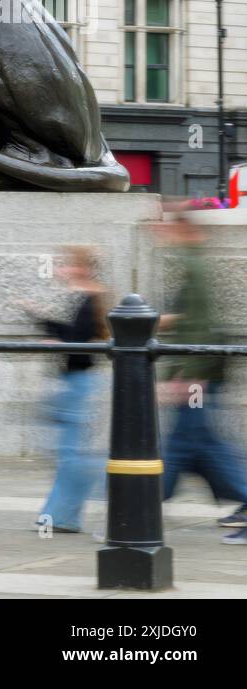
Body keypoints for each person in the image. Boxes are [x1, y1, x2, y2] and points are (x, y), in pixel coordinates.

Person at [154, 208, 247, 545]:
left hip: (197, 378)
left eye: (169, 229)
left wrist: (186, 378)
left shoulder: (194, 267)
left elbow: (200, 327)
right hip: (198, 374)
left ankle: (137, 510)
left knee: (190, 445)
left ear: (185, 232)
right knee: (198, 446)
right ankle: (140, 507)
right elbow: (191, 321)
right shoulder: (192, 265)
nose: (162, 235)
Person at [17, 245, 109, 535]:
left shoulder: (88, 298)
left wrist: (55, 339)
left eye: (66, 265)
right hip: (76, 382)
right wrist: (40, 316)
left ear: (80, 268)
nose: (60, 270)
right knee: (69, 452)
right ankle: (62, 514)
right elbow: (73, 335)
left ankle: (63, 514)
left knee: (71, 453)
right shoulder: (86, 298)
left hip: (78, 383)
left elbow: (77, 343)